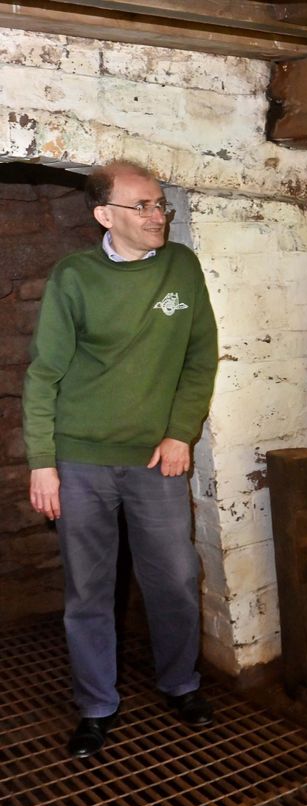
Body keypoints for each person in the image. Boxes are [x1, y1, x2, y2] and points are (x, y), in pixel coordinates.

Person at [23, 160, 218, 758]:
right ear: (105, 215)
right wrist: (42, 462)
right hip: (80, 459)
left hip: (155, 459)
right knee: (89, 590)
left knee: (176, 578)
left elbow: (200, 358)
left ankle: (180, 682)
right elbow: (45, 373)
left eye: (161, 204)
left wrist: (181, 433)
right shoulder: (74, 277)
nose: (158, 216)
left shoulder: (181, 267)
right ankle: (95, 706)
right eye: (143, 206)